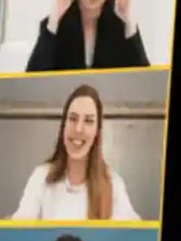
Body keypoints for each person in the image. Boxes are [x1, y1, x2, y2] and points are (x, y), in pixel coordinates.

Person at [11, 84, 140, 220]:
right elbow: (19, 226)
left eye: (88, 121)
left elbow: (135, 235)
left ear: (97, 131)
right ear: (64, 126)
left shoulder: (114, 185)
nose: (78, 129)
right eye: (73, 119)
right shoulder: (41, 178)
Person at [26, 0, 149, 72]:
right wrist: (53, 22)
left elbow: (145, 83)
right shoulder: (57, 23)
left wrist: (130, 26)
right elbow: (31, 79)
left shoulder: (123, 26)